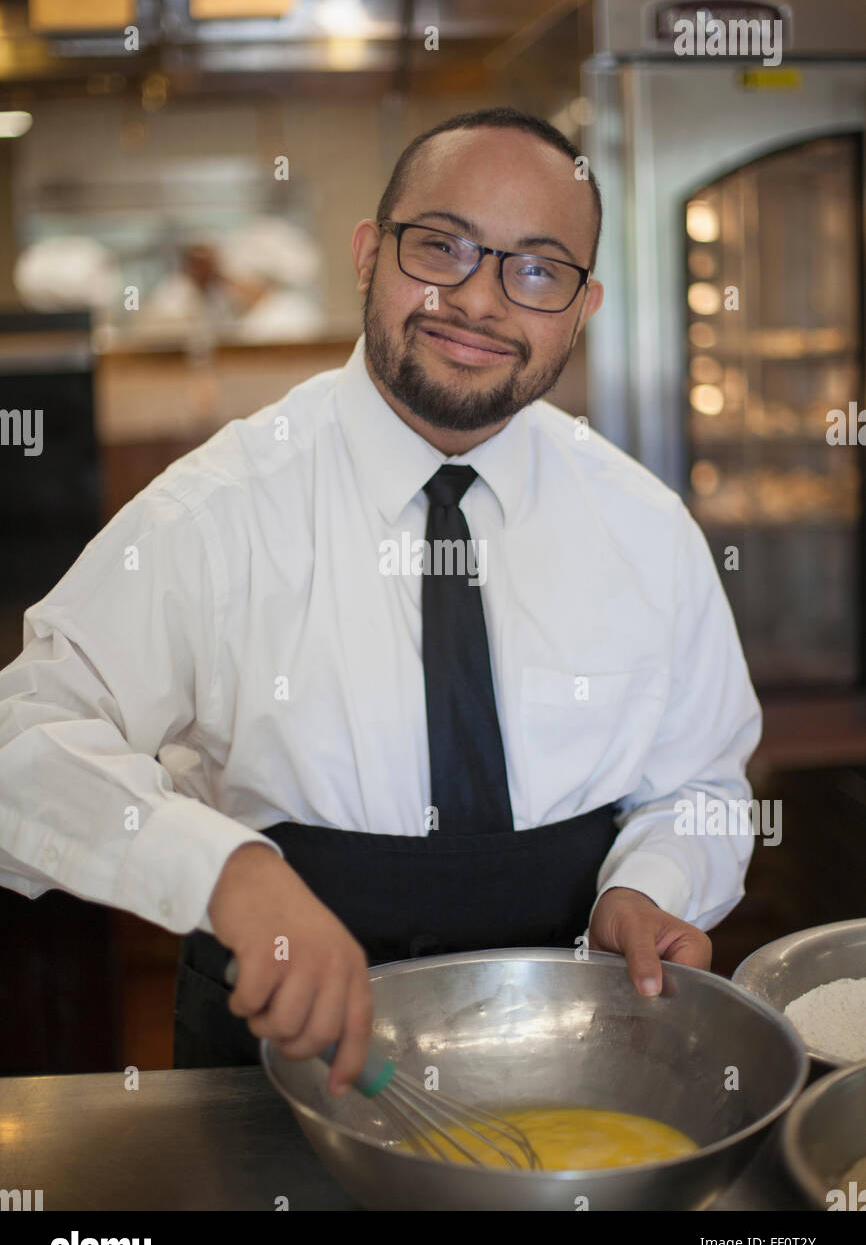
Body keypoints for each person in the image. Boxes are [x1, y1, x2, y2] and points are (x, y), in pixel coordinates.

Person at [0, 107, 761, 1096]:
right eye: (440, 246)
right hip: (278, 1072)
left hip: (568, 1060)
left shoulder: (644, 527)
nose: (479, 300)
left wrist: (645, 884)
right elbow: (21, 746)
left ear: (580, 307)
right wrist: (225, 872)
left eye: (535, 269)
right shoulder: (215, 509)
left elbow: (702, 787)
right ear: (367, 254)